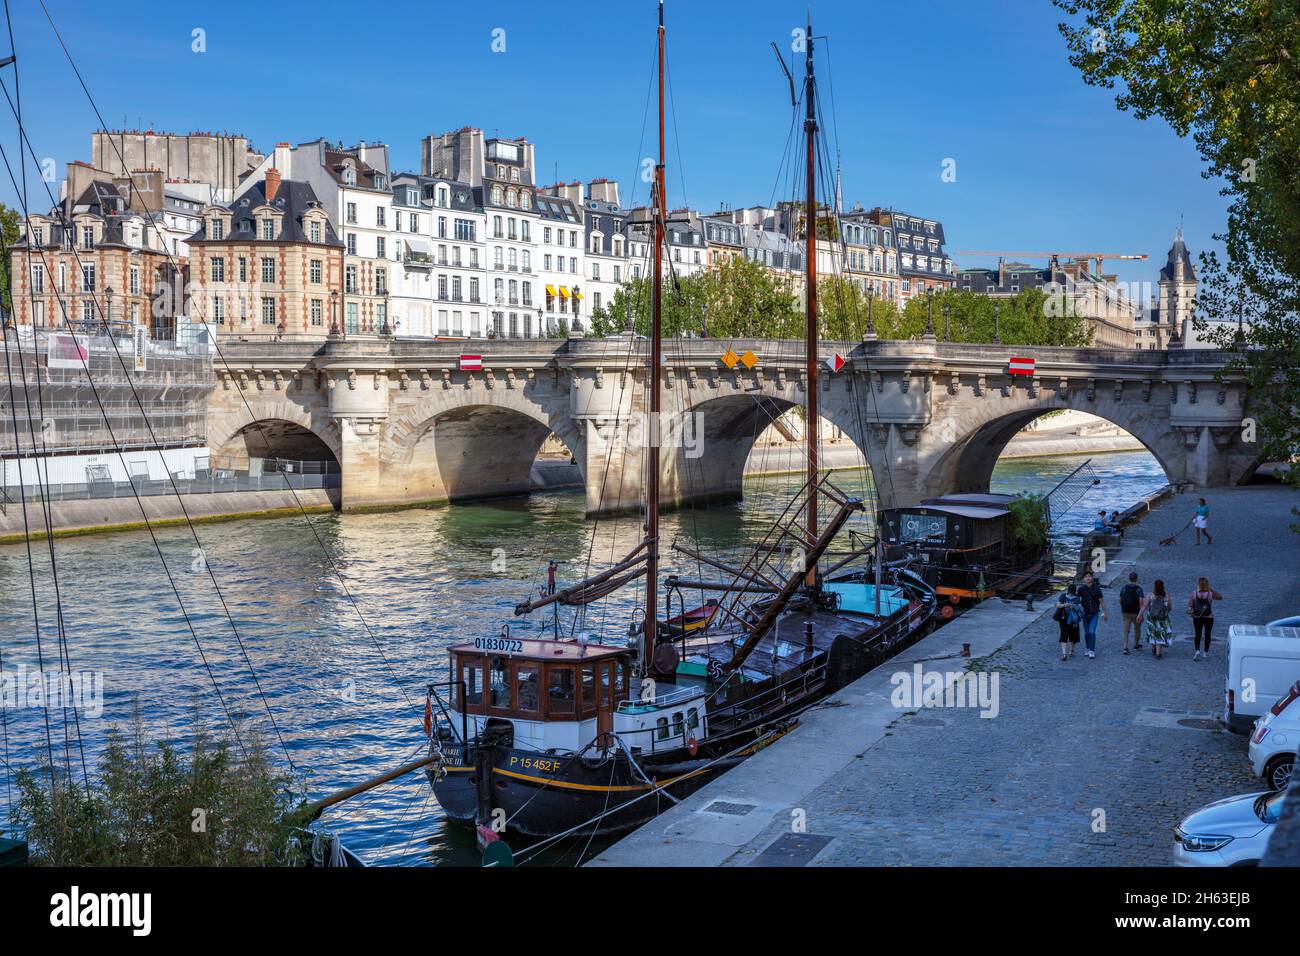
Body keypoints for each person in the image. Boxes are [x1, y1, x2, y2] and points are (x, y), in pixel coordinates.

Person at [1188, 576, 1224, 660]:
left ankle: (1197, 650)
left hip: (1197, 616)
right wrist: (1210, 589)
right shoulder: (1210, 594)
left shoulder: (1194, 593)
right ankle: (1205, 652)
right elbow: (1220, 597)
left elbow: (1190, 604)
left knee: (1197, 633)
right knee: (1207, 634)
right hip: (1209, 616)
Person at [1140, 579, 1173, 658]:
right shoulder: (1167, 596)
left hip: (1152, 618)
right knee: (1160, 633)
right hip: (1162, 618)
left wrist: (1139, 615)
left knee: (1153, 633)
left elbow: (1144, 606)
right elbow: (1170, 608)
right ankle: (1158, 652)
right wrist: (1165, 612)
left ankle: (1154, 647)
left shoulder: (1150, 595)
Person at [1077, 570, 1107, 659]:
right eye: (1086, 576)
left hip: (1094, 613)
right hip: (1084, 614)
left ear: (1092, 578)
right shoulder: (1081, 589)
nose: (1088, 578)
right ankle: (1088, 648)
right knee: (1086, 633)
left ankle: (1092, 650)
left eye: (1089, 576)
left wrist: (1105, 613)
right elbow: (1077, 601)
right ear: (1083, 579)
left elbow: (1102, 601)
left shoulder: (1097, 589)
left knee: (1092, 632)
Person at [1118, 571, 1145, 654]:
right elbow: (1141, 602)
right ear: (1136, 579)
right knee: (1137, 629)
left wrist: (1122, 607)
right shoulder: (1139, 589)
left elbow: (1120, 599)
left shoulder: (1124, 588)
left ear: (1129, 579)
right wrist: (1141, 613)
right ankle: (1136, 644)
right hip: (1136, 612)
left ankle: (1125, 647)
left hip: (1126, 612)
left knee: (1126, 630)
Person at [1055, 583, 1082, 661]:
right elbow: (1057, 605)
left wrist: (1073, 606)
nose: (1070, 594)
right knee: (1064, 634)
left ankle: (1071, 650)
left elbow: (1080, 609)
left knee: (1073, 635)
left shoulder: (1077, 598)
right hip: (1064, 618)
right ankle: (1064, 653)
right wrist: (1065, 605)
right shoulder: (1063, 596)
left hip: (1074, 618)